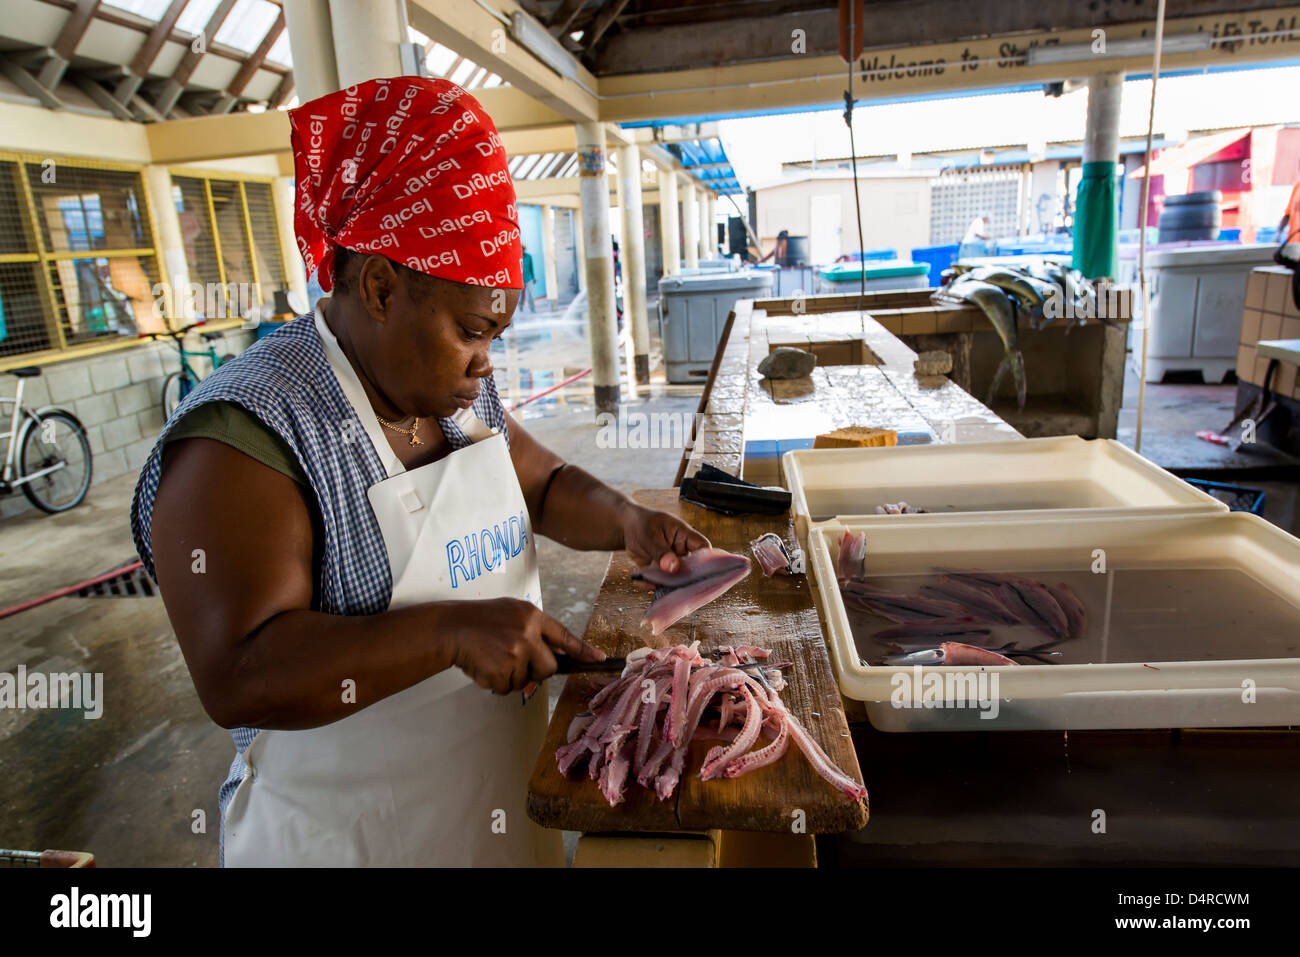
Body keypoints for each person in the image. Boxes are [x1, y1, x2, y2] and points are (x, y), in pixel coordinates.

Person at [130, 77, 709, 867]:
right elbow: (239, 672)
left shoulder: (452, 391)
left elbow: (537, 482)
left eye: (498, 333)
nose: (487, 362)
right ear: (379, 286)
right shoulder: (247, 435)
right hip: (350, 844)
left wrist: (628, 520)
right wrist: (449, 630)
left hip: (494, 811)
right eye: (475, 330)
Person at [520, 244, 535, 312]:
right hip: (520, 280)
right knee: (522, 295)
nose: (521, 250)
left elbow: (531, 267)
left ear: (524, 249)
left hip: (528, 278)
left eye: (522, 249)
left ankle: (532, 308)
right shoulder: (517, 257)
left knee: (530, 294)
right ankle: (521, 307)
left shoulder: (529, 256)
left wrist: (533, 277)